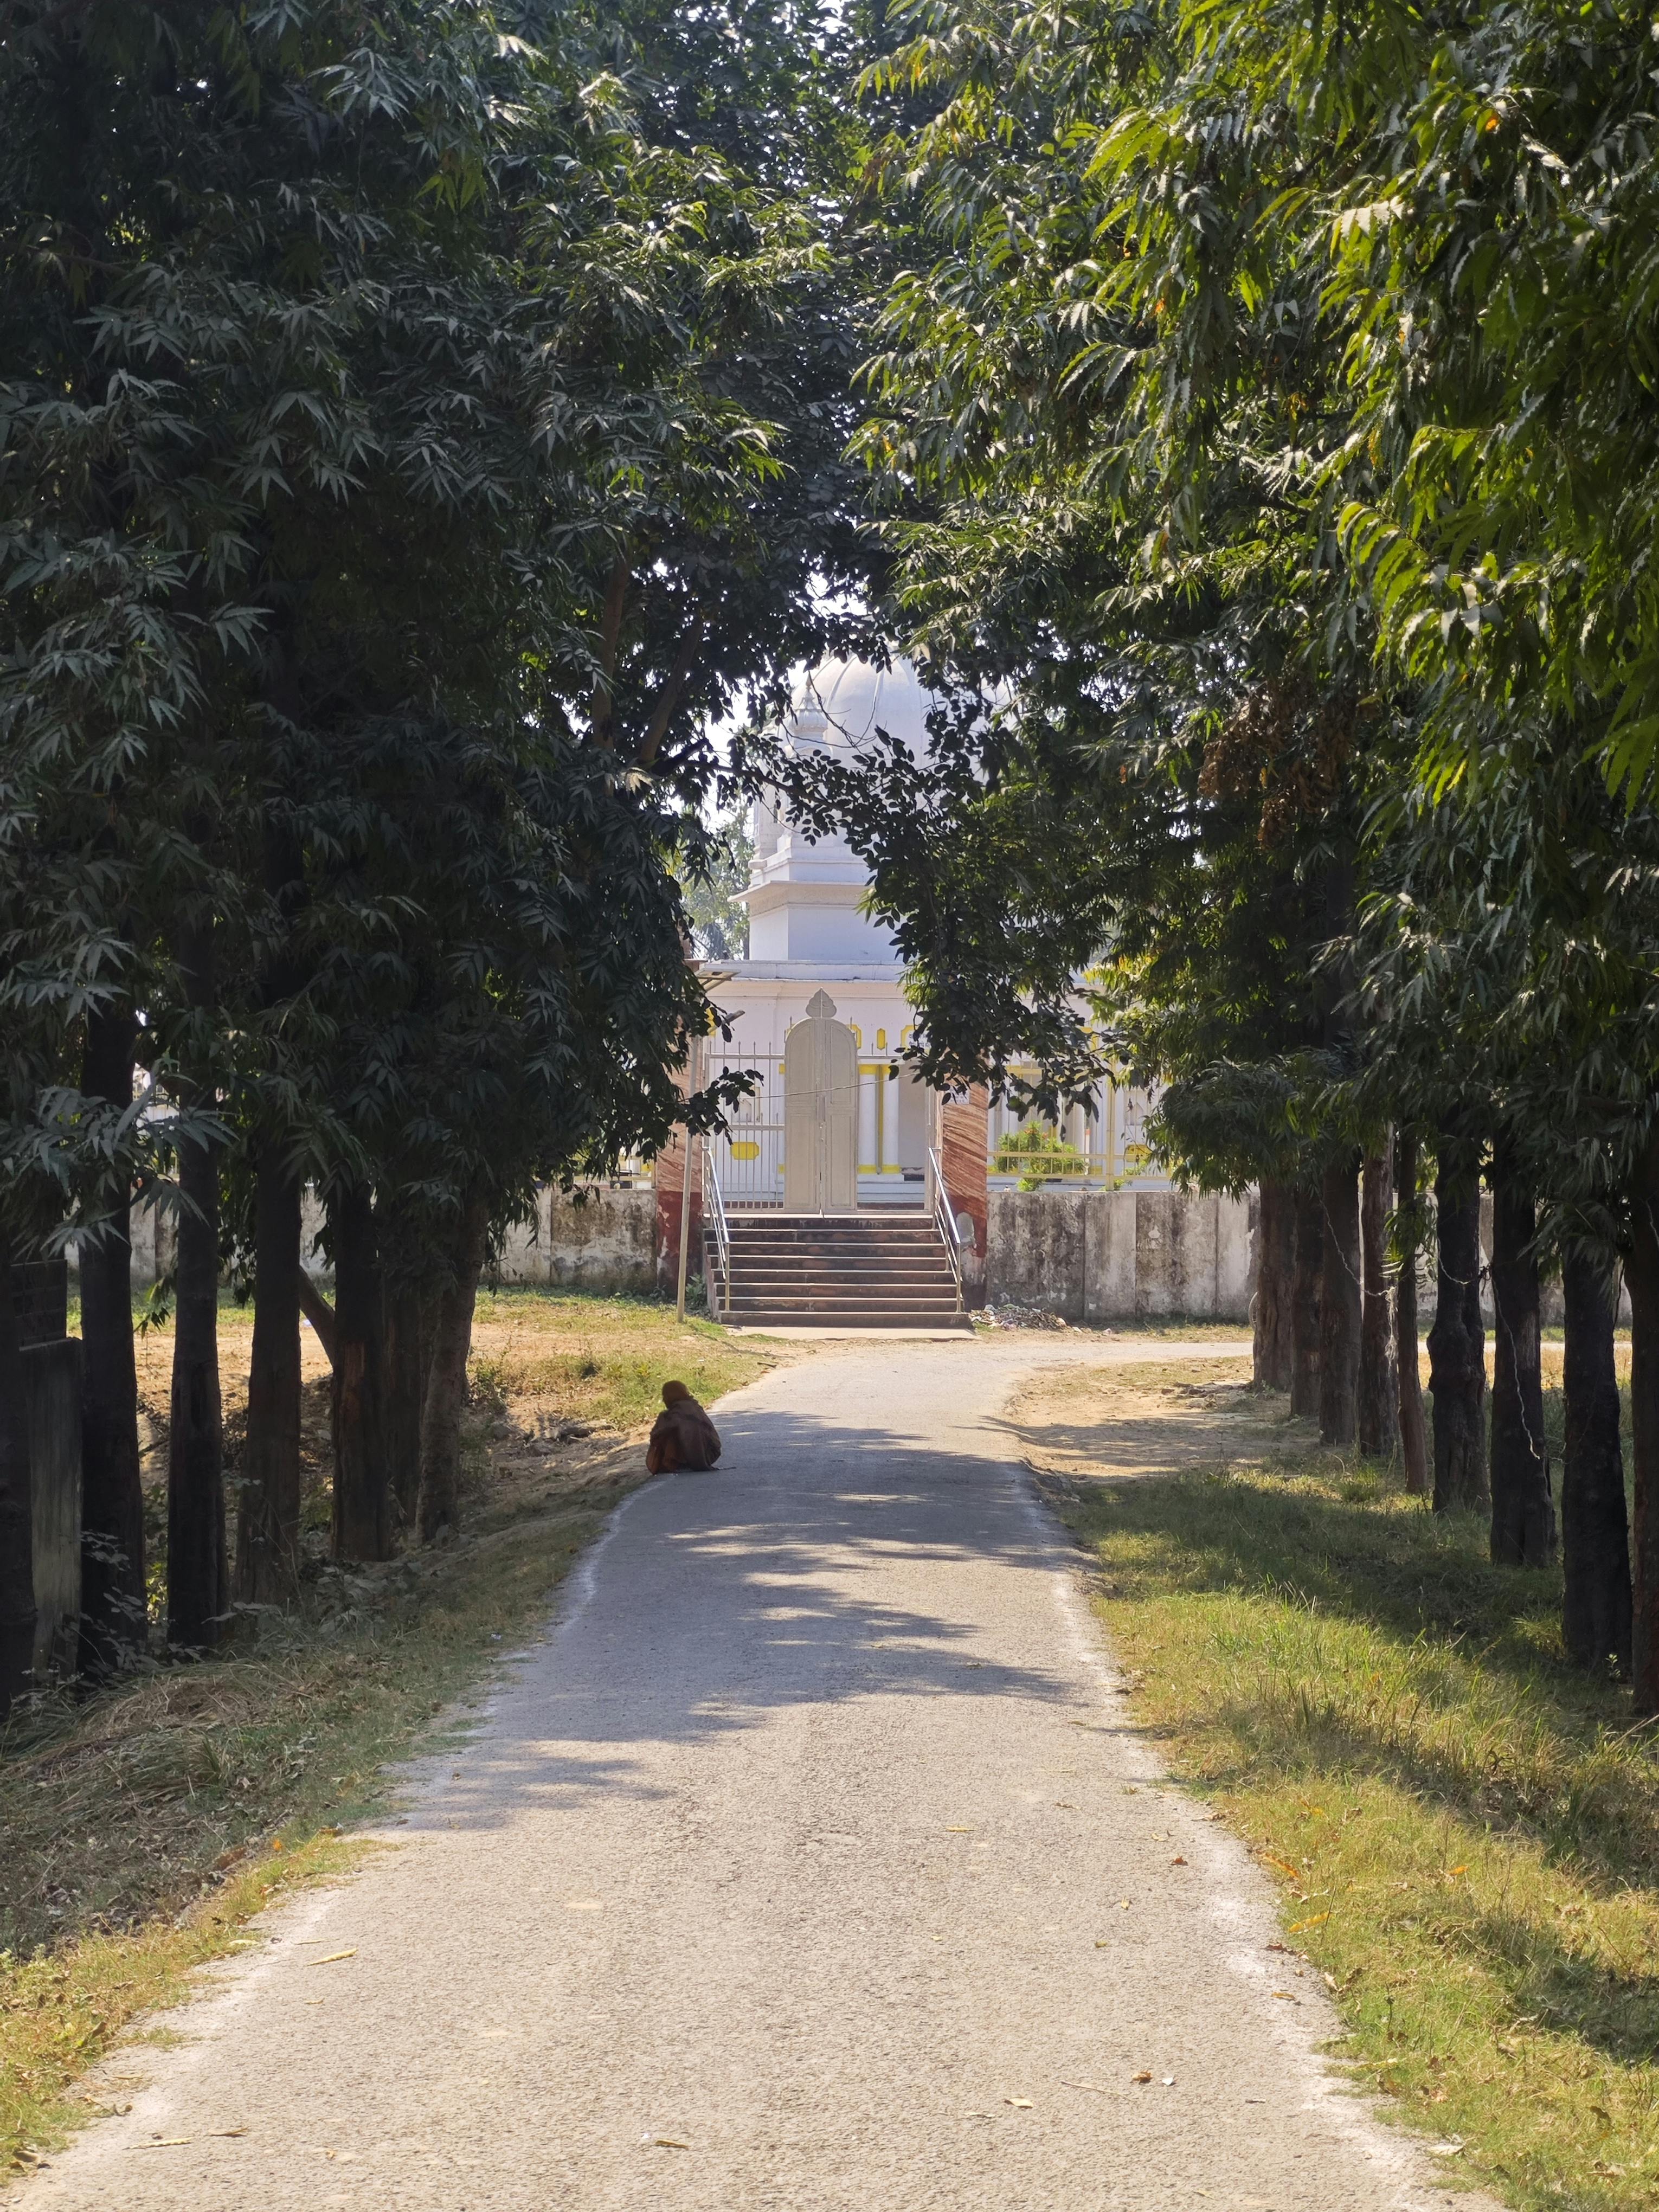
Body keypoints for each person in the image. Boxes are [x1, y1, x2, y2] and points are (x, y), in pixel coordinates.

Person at [646, 1379, 722, 1474]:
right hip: (710, 1455)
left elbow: (658, 1435)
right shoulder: (695, 1407)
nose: (664, 1399)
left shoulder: (676, 1414)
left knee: (668, 1433)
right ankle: (686, 1462)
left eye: (665, 1396)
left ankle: (680, 1463)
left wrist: (659, 1428)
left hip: (703, 1455)